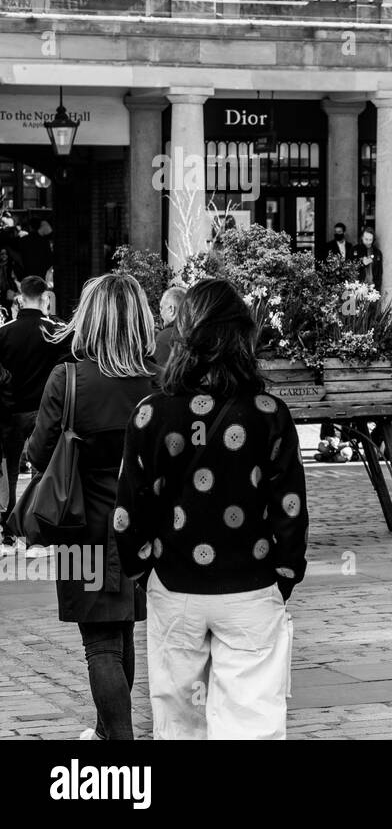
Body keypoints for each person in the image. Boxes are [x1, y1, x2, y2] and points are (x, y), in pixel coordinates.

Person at [114, 279, 307, 739]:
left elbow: (127, 511)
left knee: (178, 718)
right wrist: (286, 573)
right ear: (242, 338)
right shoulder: (268, 412)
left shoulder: (150, 413)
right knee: (252, 716)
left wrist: (142, 570)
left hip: (175, 585)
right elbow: (290, 508)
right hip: (251, 583)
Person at [23, 274, 157, 739]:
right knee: (121, 629)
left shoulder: (70, 378)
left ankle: (118, 741)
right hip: (141, 523)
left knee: (100, 641)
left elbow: (38, 454)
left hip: (81, 523)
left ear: (91, 318)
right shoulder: (157, 381)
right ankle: (107, 730)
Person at [0, 275, 71, 548]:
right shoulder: (55, 330)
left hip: (13, 410)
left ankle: (9, 525)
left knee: (11, 470)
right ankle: (43, 525)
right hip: (47, 410)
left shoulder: (5, 332)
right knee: (48, 470)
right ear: (45, 298)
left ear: (20, 296)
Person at [154, 285, 186, 368]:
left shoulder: (164, 337)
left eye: (161, 308)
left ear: (171, 309)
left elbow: (161, 377)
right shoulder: (198, 334)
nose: (160, 313)